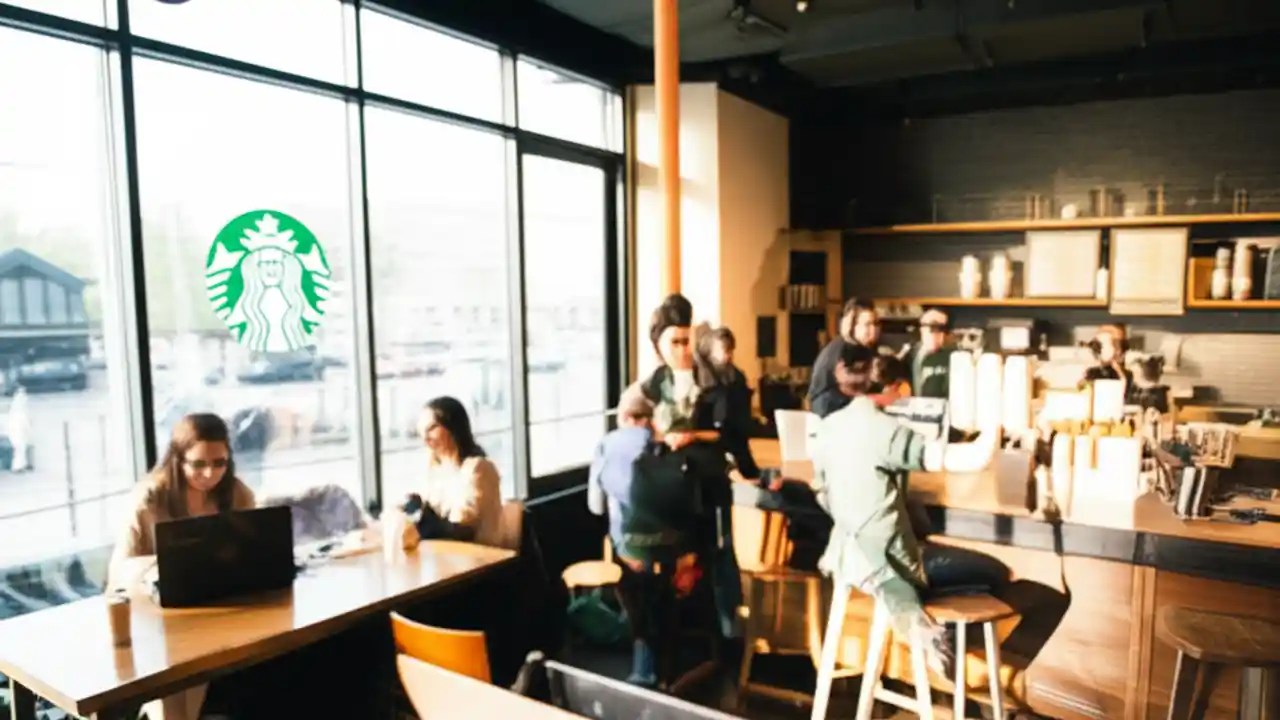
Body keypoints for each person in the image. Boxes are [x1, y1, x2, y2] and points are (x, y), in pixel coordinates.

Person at [811, 343, 957, 676]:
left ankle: (924, 636)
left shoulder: (827, 430)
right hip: (889, 562)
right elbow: (948, 458)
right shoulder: (883, 429)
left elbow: (822, 494)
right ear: (891, 389)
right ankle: (959, 670)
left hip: (848, 559)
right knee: (994, 573)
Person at [108, 412, 256, 720]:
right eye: (198, 464)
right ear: (178, 459)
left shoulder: (236, 492)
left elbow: (254, 547)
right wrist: (161, 567)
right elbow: (120, 572)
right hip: (160, 615)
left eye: (220, 463)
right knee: (179, 679)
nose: (210, 474)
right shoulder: (149, 499)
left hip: (219, 606)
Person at [638, 294, 743, 648]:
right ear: (658, 346)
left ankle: (727, 636)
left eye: (687, 341)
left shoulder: (713, 378)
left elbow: (727, 432)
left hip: (708, 479)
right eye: (675, 342)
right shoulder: (651, 385)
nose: (684, 350)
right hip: (669, 484)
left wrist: (691, 435)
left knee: (719, 554)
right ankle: (669, 637)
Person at [586, 388, 670, 686]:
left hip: (626, 547)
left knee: (634, 587)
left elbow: (595, 507)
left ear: (623, 417)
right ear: (650, 419)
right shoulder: (664, 444)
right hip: (667, 545)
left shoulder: (605, 446)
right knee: (655, 590)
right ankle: (653, 661)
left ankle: (641, 658)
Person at [412, 396, 503, 547]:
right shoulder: (435, 470)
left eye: (432, 428)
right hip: (446, 555)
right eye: (421, 431)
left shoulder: (479, 468)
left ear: (453, 428)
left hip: (483, 559)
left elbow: (463, 527)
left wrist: (426, 519)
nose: (425, 438)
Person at [695, 325, 762, 482]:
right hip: (715, 431)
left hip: (733, 430)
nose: (729, 356)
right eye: (725, 350)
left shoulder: (735, 376)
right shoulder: (703, 376)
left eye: (730, 350)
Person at [808, 297, 882, 418]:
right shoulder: (840, 351)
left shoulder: (866, 349)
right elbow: (847, 387)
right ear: (851, 325)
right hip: (829, 413)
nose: (873, 330)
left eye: (876, 324)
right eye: (867, 325)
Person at [903, 307, 953, 399]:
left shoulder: (955, 357)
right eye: (933, 327)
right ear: (922, 329)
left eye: (943, 329)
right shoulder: (910, 355)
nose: (939, 334)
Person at [6, 386, 31, 473]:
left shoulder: (18, 405)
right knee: (19, 448)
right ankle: (17, 467)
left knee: (21, 448)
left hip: (19, 431)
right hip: (17, 431)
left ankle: (21, 465)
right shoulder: (18, 405)